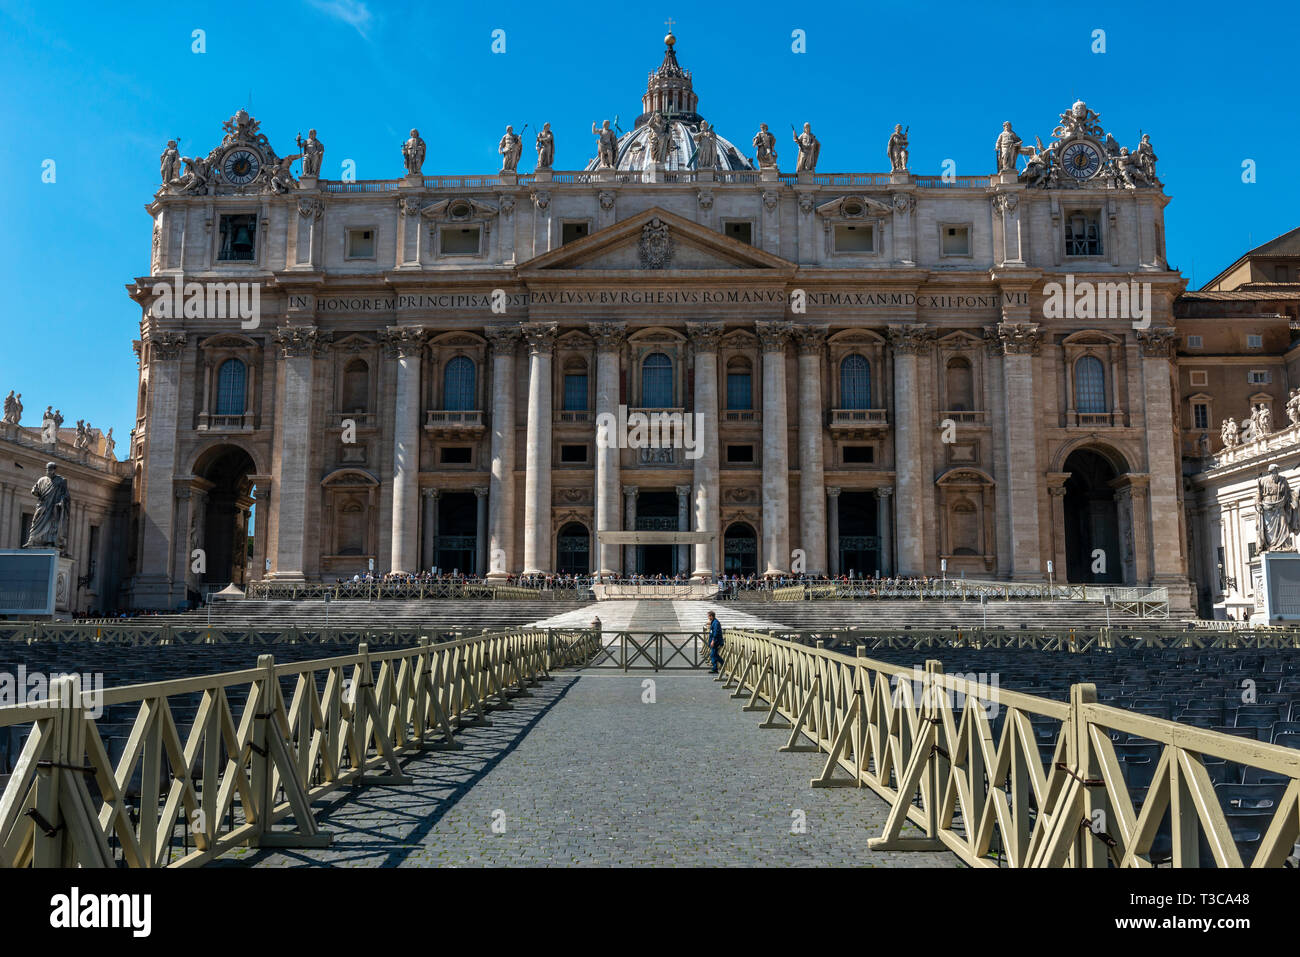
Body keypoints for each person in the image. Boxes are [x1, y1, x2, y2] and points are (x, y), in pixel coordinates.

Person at [706, 610, 723, 674]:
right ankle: (715, 668)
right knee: (714, 654)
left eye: (708, 616)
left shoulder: (716, 623)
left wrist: (713, 641)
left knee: (713, 654)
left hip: (716, 641)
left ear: (711, 616)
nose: (708, 617)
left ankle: (723, 664)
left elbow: (716, 632)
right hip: (714, 641)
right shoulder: (714, 622)